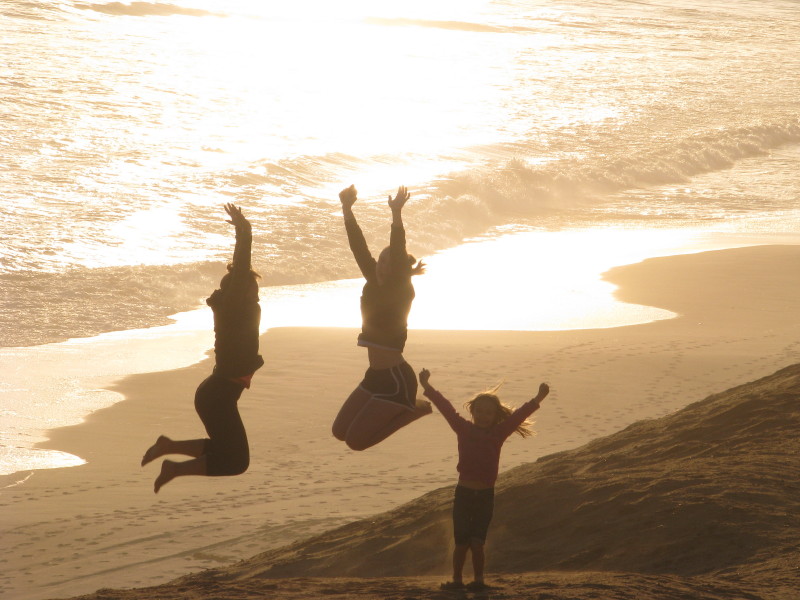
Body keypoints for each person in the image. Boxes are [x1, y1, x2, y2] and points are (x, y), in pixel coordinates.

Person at [141, 203, 264, 493]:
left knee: (227, 450)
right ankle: (174, 466)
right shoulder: (234, 307)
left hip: (215, 394)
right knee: (236, 461)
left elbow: (242, 274)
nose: (257, 293)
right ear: (238, 289)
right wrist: (245, 234)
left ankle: (168, 448)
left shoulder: (234, 308)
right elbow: (242, 266)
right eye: (252, 288)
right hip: (217, 396)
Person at [418, 368, 550, 591]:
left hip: (485, 496)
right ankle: (457, 581)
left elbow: (518, 416)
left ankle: (478, 581)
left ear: (495, 415)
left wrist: (538, 399)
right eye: (479, 411)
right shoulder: (463, 429)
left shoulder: (498, 433)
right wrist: (427, 387)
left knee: (478, 543)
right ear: (473, 412)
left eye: (488, 412)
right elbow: (447, 409)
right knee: (461, 543)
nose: (483, 416)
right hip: (464, 495)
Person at [332, 184, 431, 451]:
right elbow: (358, 246)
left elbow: (398, 247)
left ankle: (413, 410)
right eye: (381, 259)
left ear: (399, 268)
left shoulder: (401, 289)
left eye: (390, 262)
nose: (382, 264)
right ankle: (406, 407)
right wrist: (347, 208)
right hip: (375, 375)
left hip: (396, 379)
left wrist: (396, 213)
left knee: (355, 441)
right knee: (338, 431)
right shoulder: (373, 282)